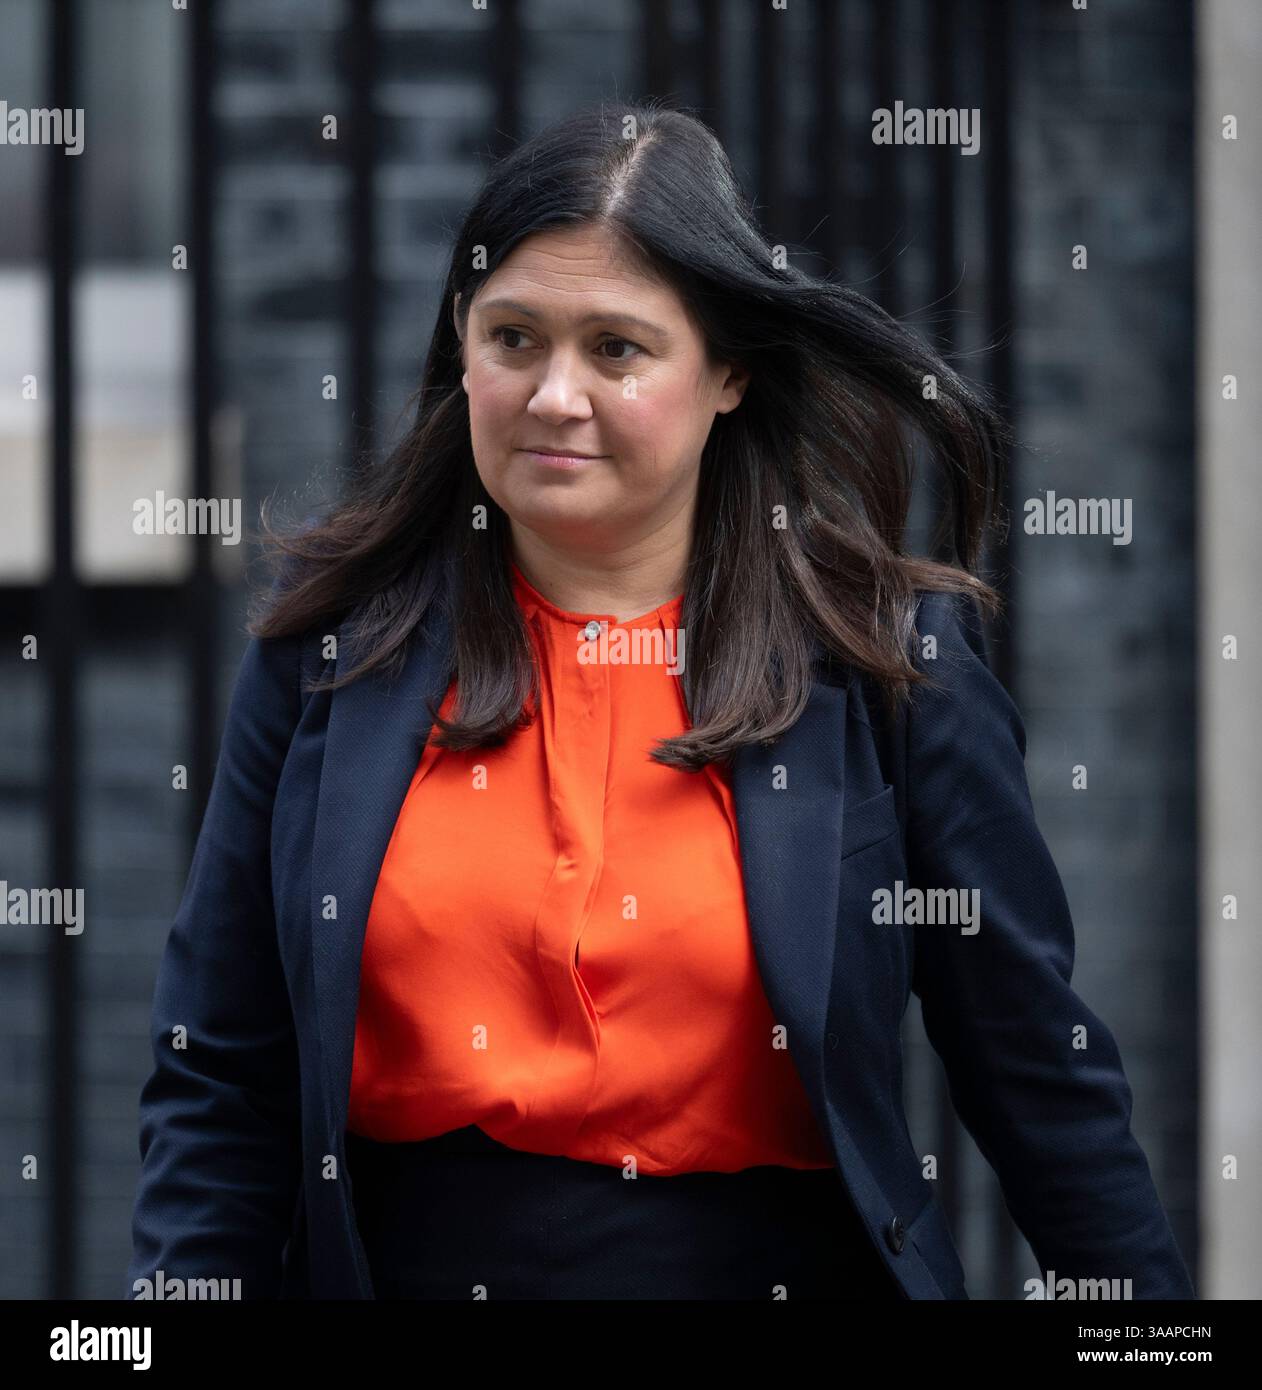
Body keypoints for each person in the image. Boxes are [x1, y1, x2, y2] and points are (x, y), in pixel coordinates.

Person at [126, 99, 1195, 1301]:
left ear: (727, 371)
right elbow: (223, 1068)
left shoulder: (887, 661)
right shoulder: (333, 646)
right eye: (513, 338)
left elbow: (1031, 1070)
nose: (552, 394)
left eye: (616, 349)